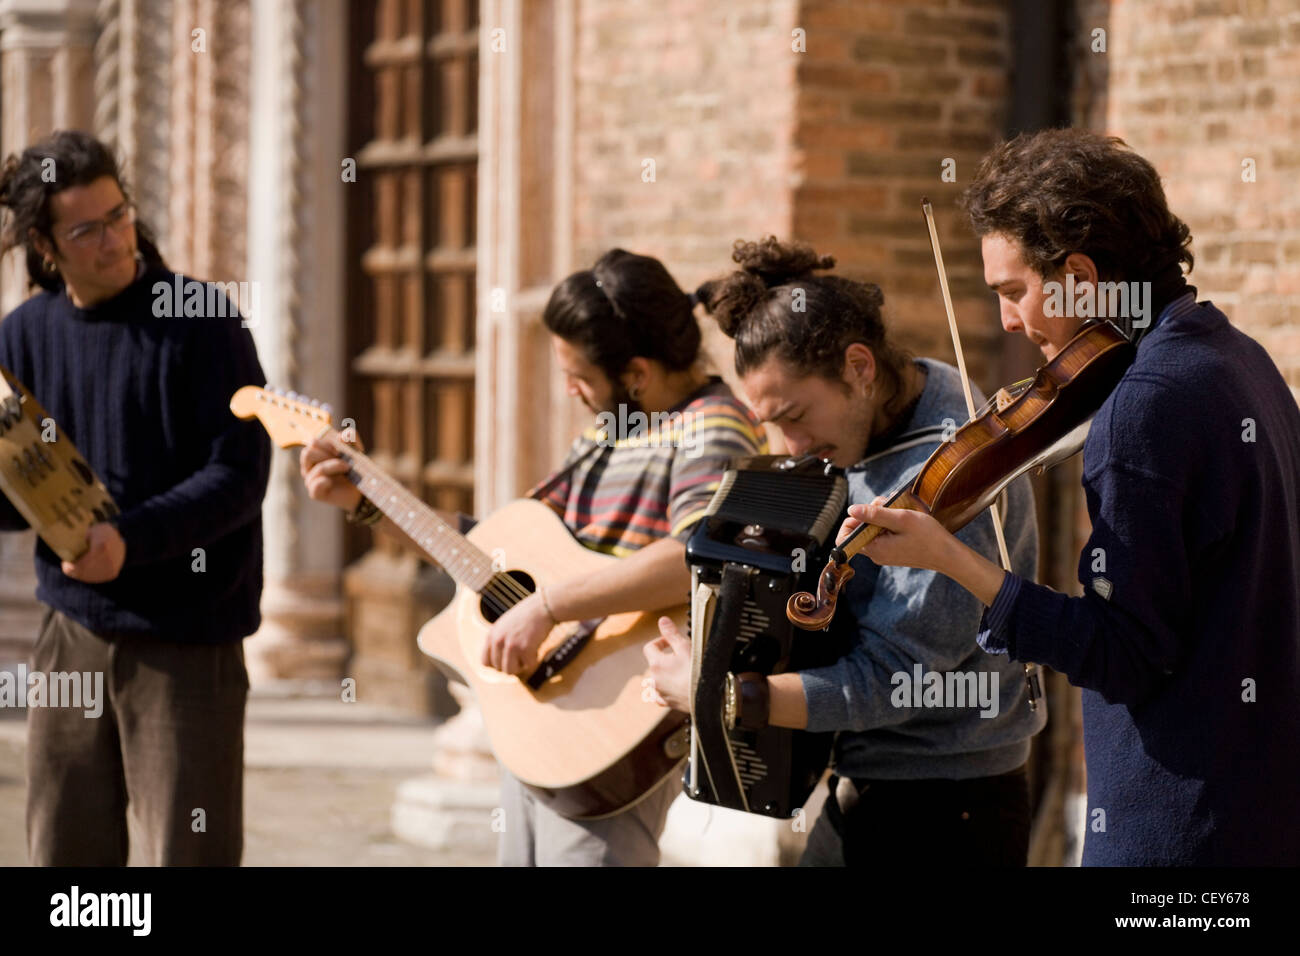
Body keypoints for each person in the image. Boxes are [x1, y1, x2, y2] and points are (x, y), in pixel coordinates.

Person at [832, 128, 1300, 865]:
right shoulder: (1239, 359)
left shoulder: (1144, 407)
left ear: (1080, 275)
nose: (1010, 322)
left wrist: (956, 562)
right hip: (1260, 809)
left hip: (1175, 834)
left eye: (1014, 291)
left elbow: (1125, 654)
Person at [300, 248, 765, 866]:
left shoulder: (713, 426)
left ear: (637, 374)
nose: (568, 388)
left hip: (612, 722)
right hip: (545, 716)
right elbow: (490, 553)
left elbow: (697, 556)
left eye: (577, 374)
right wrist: (366, 502)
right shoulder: (613, 430)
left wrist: (547, 607)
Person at [646, 237, 1045, 866]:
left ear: (860, 367)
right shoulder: (897, 403)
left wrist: (715, 690)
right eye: (772, 422)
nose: (791, 445)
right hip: (868, 782)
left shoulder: (949, 471)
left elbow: (897, 678)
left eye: (797, 414)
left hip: (947, 809)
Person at [0, 130, 270, 865]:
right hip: (72, 633)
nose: (115, 240)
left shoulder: (204, 321)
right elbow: (17, 490)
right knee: (65, 860)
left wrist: (132, 540)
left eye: (118, 215)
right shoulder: (23, 336)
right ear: (44, 244)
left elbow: (240, 473)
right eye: (87, 229)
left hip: (190, 641)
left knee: (187, 855)